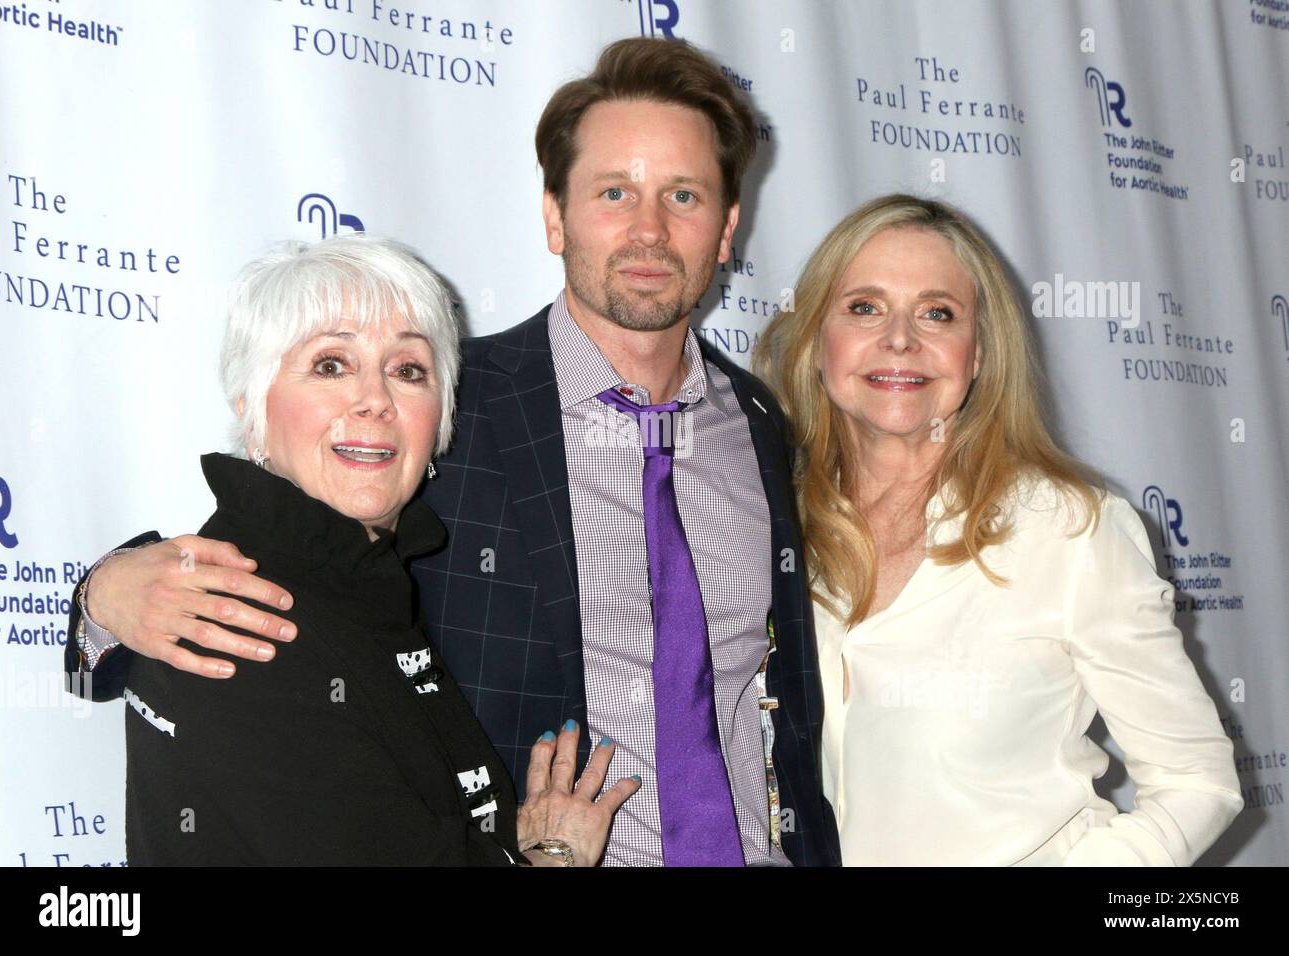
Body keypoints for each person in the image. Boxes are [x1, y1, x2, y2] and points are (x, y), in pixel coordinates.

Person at [64, 38, 840, 866]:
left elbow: (782, 707)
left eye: (682, 195)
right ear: (555, 215)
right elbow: (285, 565)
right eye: (614, 192)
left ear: (726, 229)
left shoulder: (761, 425)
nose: (648, 229)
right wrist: (101, 600)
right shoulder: (443, 406)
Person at [114, 235, 637, 865]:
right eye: (331, 364)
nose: (376, 400)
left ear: (442, 418)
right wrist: (556, 857)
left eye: (408, 370)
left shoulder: (368, 580)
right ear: (252, 408)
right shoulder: (238, 611)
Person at [755, 194, 1244, 865]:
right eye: (864, 307)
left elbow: (1200, 782)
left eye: (937, 313)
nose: (900, 338)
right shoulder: (769, 528)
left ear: (979, 352)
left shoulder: (1070, 530)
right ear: (817, 340)